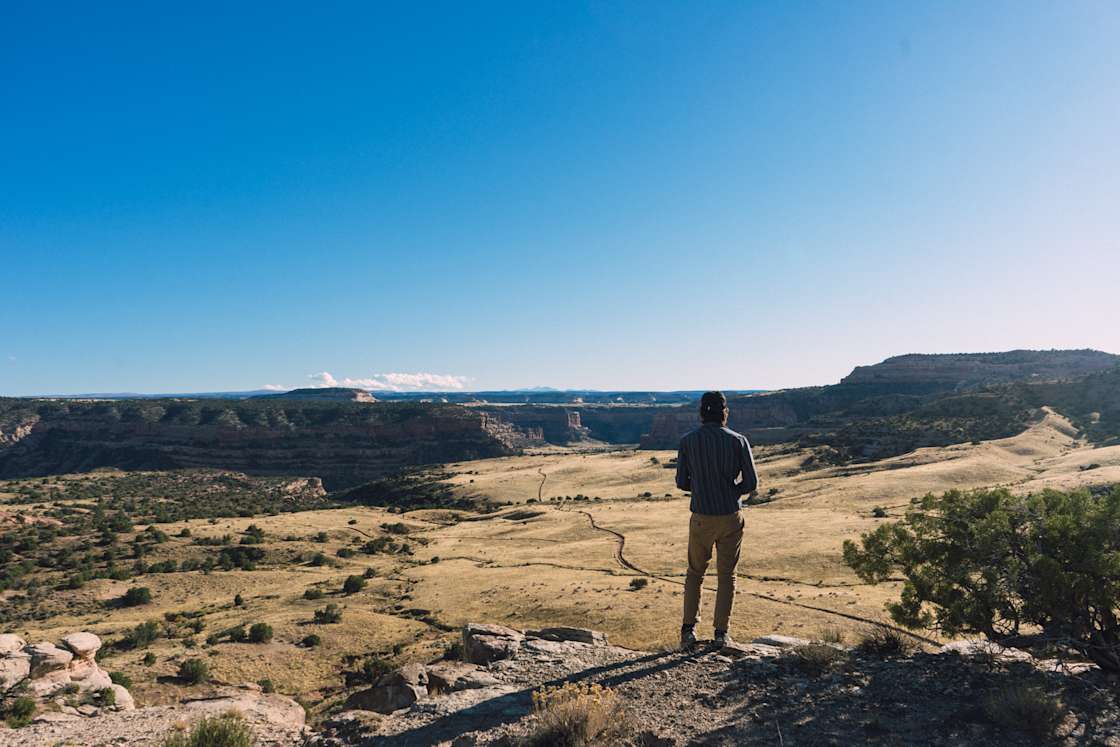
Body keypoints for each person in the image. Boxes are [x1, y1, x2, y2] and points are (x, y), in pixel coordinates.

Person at [675, 390, 758, 649]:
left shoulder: (688, 441)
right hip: (730, 516)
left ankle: (688, 631)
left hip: (701, 515)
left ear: (701, 413)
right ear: (725, 412)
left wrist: (702, 487)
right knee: (727, 576)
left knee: (695, 573)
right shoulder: (738, 440)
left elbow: (681, 482)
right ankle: (721, 633)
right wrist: (729, 491)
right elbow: (751, 482)